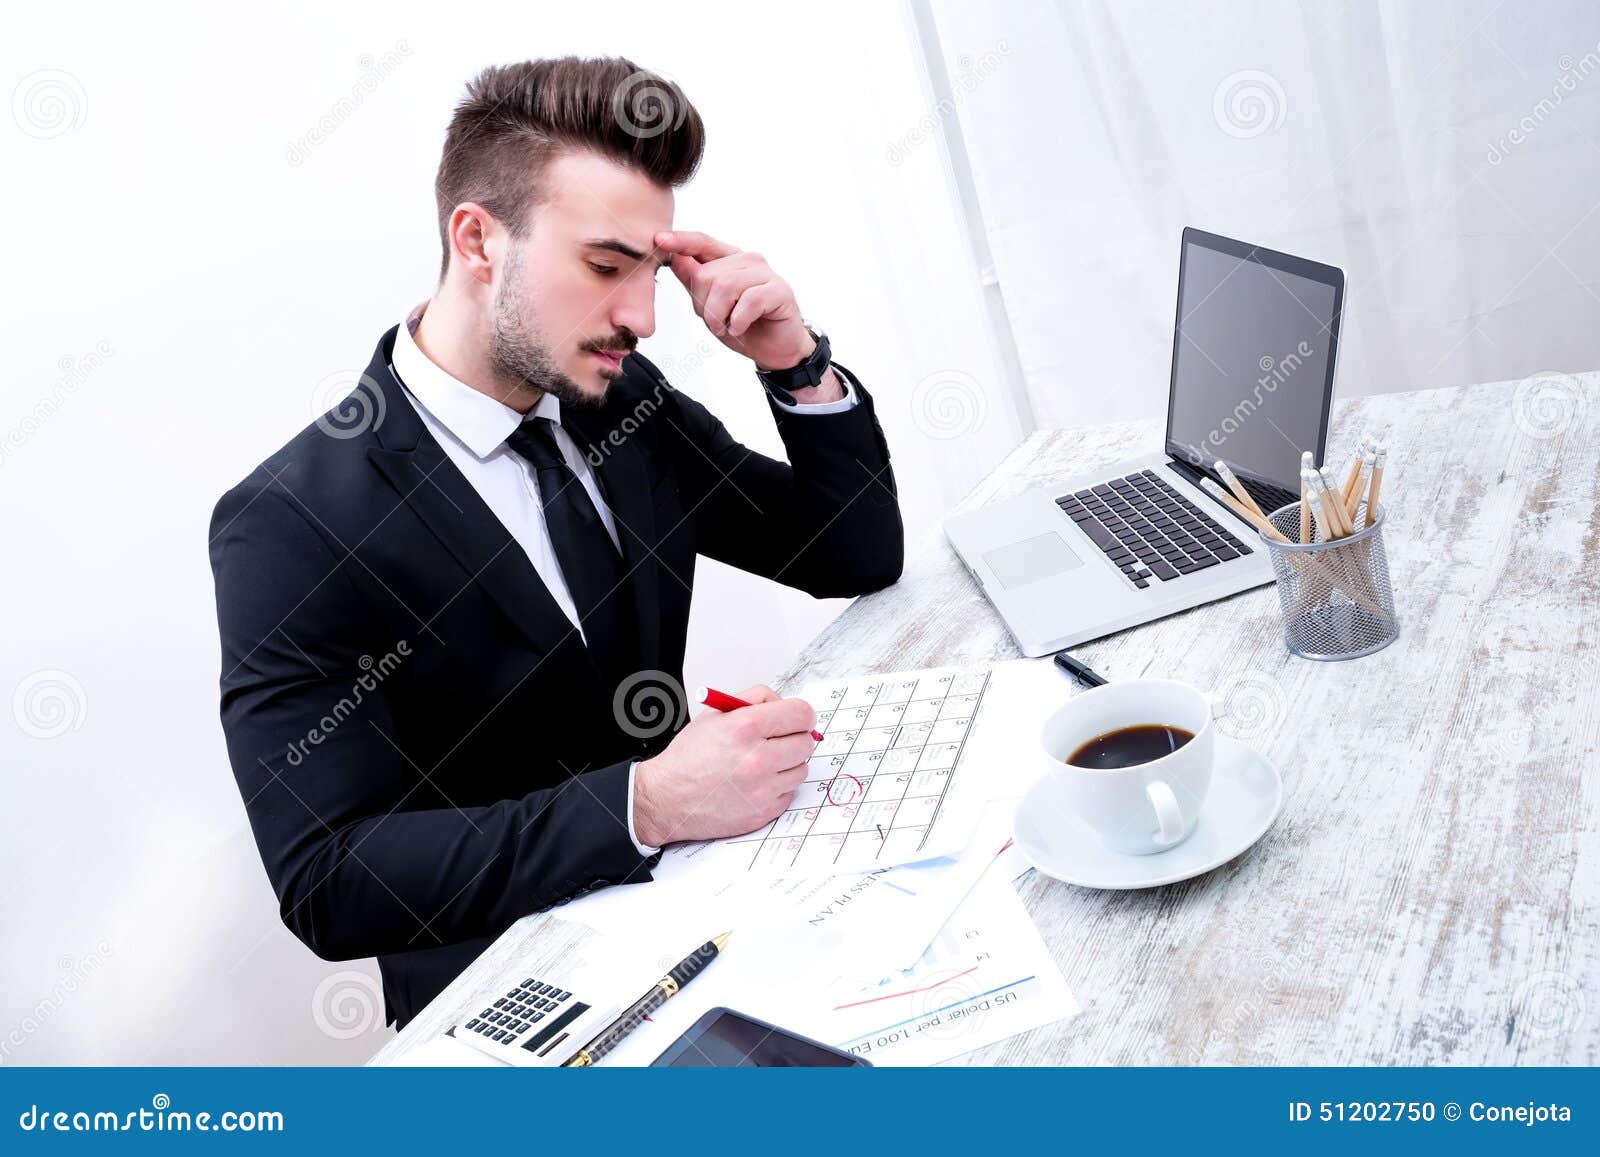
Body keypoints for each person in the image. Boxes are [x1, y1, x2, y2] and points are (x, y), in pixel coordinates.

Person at [208, 56, 903, 1027]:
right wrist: (643, 801)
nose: (644, 317)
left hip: (719, 925)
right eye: (608, 266)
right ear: (478, 239)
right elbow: (329, 876)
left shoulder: (622, 404)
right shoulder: (292, 521)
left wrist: (794, 360)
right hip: (515, 999)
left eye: (654, 272)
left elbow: (851, 554)